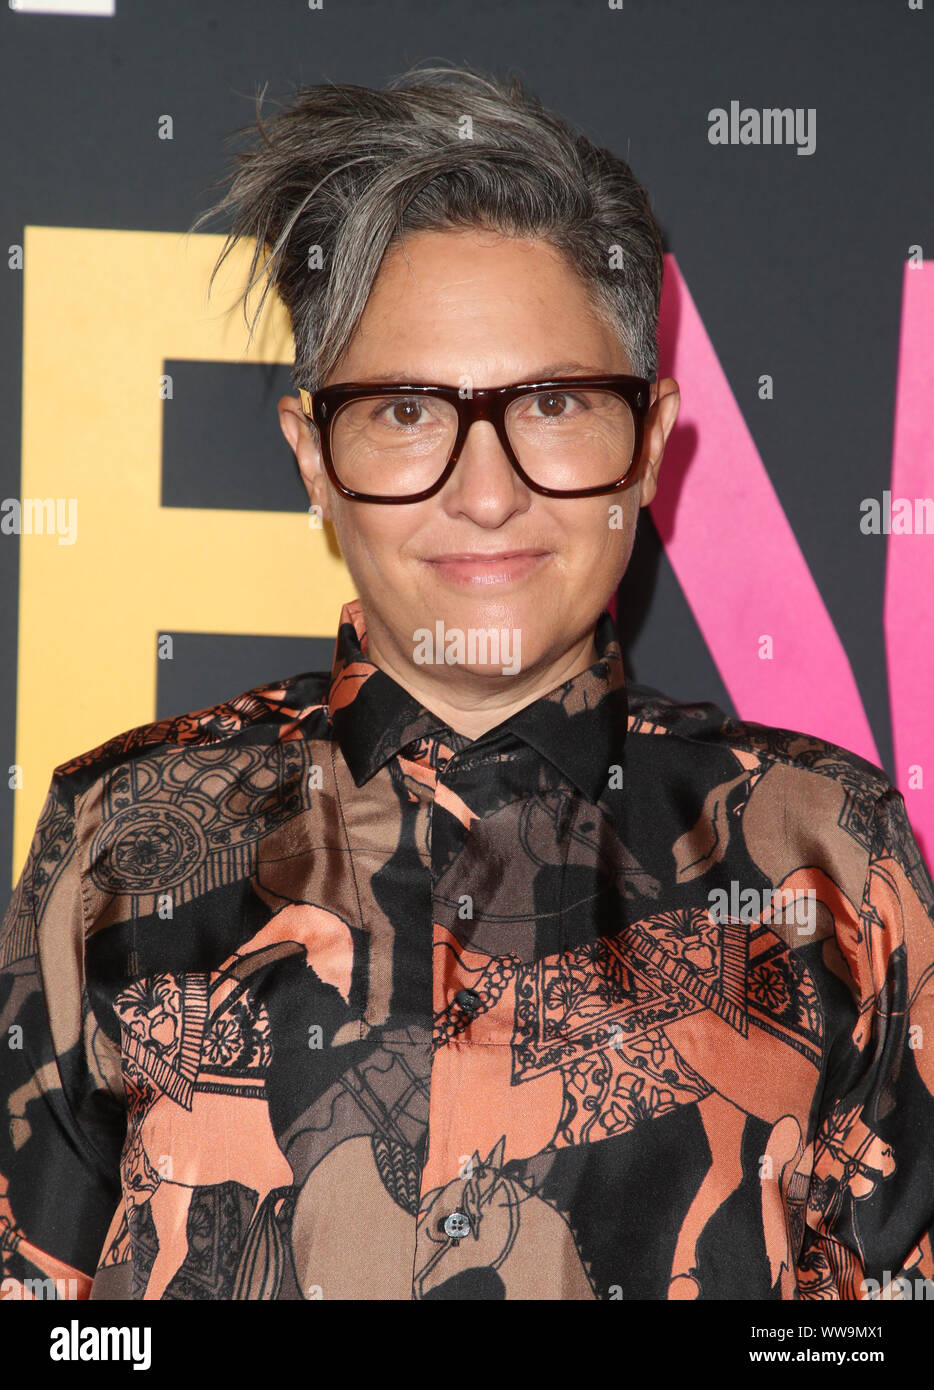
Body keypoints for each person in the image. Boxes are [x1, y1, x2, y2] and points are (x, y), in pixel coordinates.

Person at [2, 61, 933, 1303]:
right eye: (401, 412)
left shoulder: (824, 848)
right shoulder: (122, 837)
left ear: (649, 442)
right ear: (313, 456)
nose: (483, 491)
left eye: (550, 402)